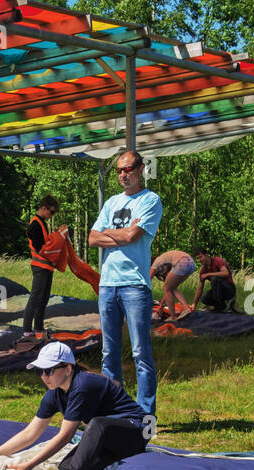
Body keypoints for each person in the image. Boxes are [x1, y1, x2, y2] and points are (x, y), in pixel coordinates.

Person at [0, 341, 150, 470]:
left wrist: (28, 466)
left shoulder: (83, 385)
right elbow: (30, 433)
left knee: (95, 427)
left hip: (141, 429)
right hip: (108, 436)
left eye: (49, 370)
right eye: (40, 371)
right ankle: (103, 465)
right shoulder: (54, 394)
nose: (44, 376)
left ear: (68, 369)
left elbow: (65, 436)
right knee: (64, 467)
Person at [88, 150, 162, 417]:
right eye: (119, 170)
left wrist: (108, 233)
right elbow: (92, 239)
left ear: (141, 169)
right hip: (107, 284)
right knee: (109, 353)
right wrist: (117, 235)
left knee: (141, 353)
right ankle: (112, 410)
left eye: (128, 169)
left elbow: (132, 236)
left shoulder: (150, 200)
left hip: (135, 285)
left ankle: (144, 414)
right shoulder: (111, 202)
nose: (123, 175)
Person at [24, 195, 101, 341]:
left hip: (46, 267)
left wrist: (57, 238)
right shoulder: (35, 224)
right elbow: (42, 248)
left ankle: (38, 328)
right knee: (35, 298)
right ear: (43, 208)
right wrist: (58, 237)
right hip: (39, 267)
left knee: (43, 299)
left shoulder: (42, 222)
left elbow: (47, 244)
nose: (51, 216)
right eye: (51, 212)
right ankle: (27, 331)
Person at [150, 249, 197, 319]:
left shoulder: (156, 262)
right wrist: (161, 306)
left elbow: (148, 280)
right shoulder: (167, 263)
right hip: (191, 264)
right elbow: (168, 292)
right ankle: (186, 309)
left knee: (166, 288)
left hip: (181, 262)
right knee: (172, 288)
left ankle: (173, 317)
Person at [193, 247, 237, 312]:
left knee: (214, 279)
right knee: (204, 299)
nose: (199, 260)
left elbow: (226, 273)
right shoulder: (203, 270)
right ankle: (224, 305)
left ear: (207, 255)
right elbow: (199, 289)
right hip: (218, 292)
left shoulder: (217, 261)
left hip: (229, 289)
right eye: (197, 258)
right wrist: (194, 305)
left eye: (200, 257)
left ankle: (221, 305)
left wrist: (208, 274)